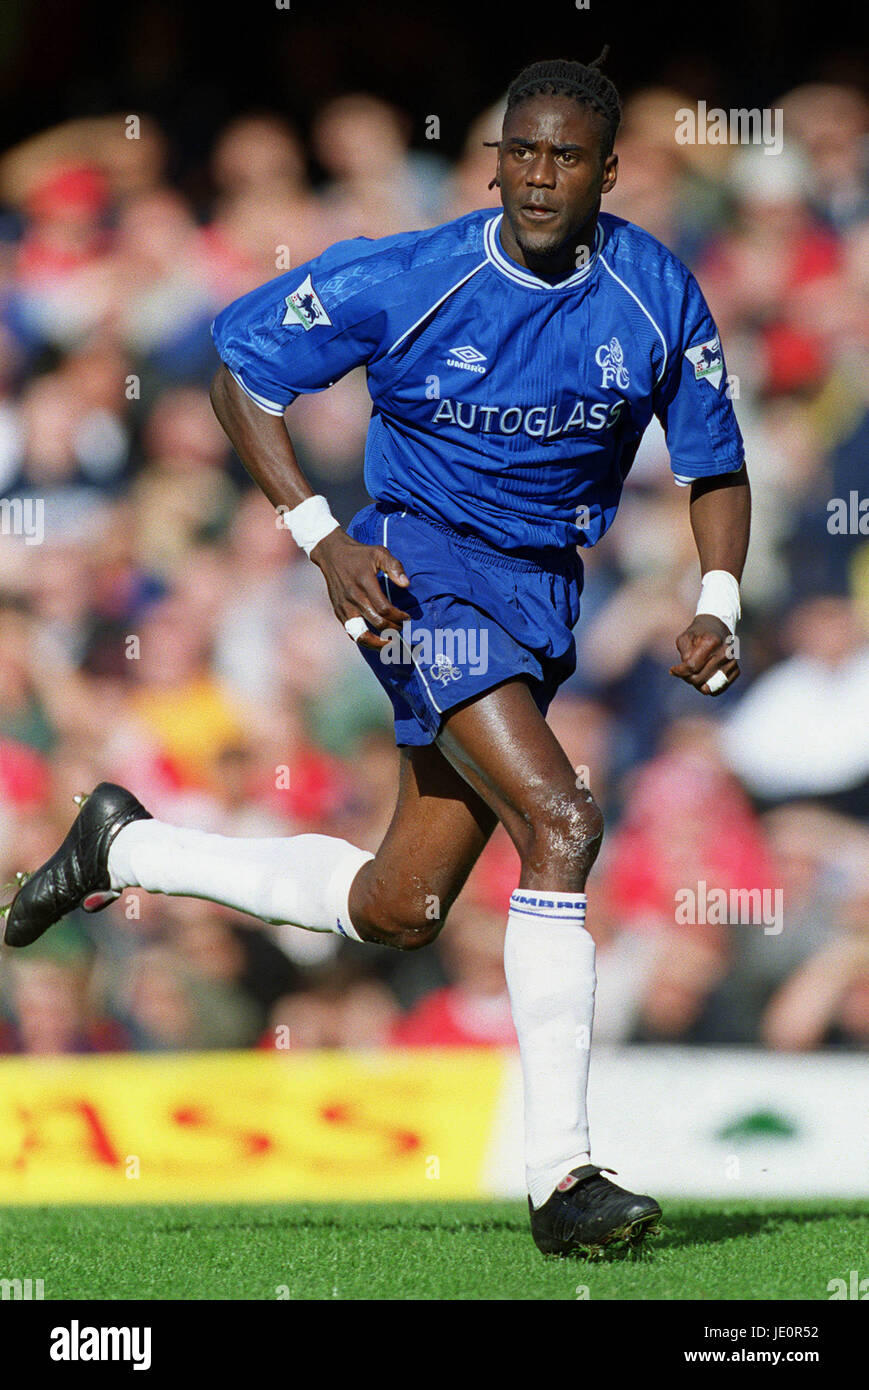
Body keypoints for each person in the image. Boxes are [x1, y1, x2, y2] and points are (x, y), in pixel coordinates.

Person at [4, 54, 751, 1258]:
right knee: (560, 818)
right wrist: (320, 535)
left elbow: (714, 462)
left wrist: (716, 594)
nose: (537, 175)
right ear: (494, 154)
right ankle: (563, 1179)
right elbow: (242, 368)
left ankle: (120, 842)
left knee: (398, 907)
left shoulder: (654, 292)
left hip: (539, 605)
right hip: (416, 576)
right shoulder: (412, 272)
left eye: (565, 156)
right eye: (520, 149)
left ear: (609, 173)